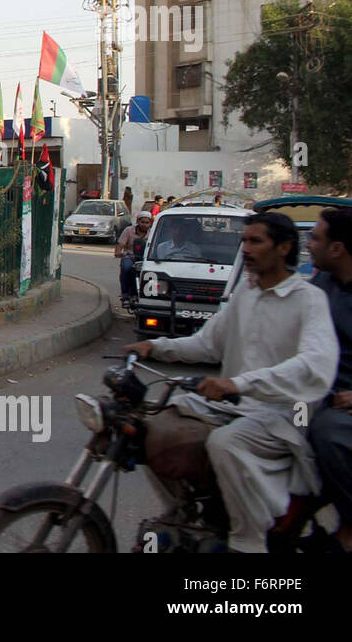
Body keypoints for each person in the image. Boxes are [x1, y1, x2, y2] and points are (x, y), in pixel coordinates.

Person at [125, 213, 338, 552]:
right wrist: (156, 346)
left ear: (283, 248)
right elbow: (208, 343)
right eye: (244, 241)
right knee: (149, 428)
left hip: (284, 413)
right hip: (232, 404)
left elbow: (315, 364)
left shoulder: (308, 299)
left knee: (225, 443)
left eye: (256, 242)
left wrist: (240, 384)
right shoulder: (245, 292)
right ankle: (185, 510)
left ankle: (247, 541)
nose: (246, 249)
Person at [307, 207, 352, 552]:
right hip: (313, 396)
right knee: (285, 423)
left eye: (315, 238)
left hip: (343, 407)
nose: (308, 245)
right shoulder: (320, 284)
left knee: (325, 431)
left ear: (337, 248)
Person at [115, 210, 152, 302]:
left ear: (150, 223)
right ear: (137, 221)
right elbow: (120, 245)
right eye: (142, 222)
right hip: (130, 256)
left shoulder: (153, 233)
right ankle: (125, 293)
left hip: (146, 259)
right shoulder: (128, 230)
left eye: (147, 223)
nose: (144, 225)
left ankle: (152, 295)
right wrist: (119, 253)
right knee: (126, 267)